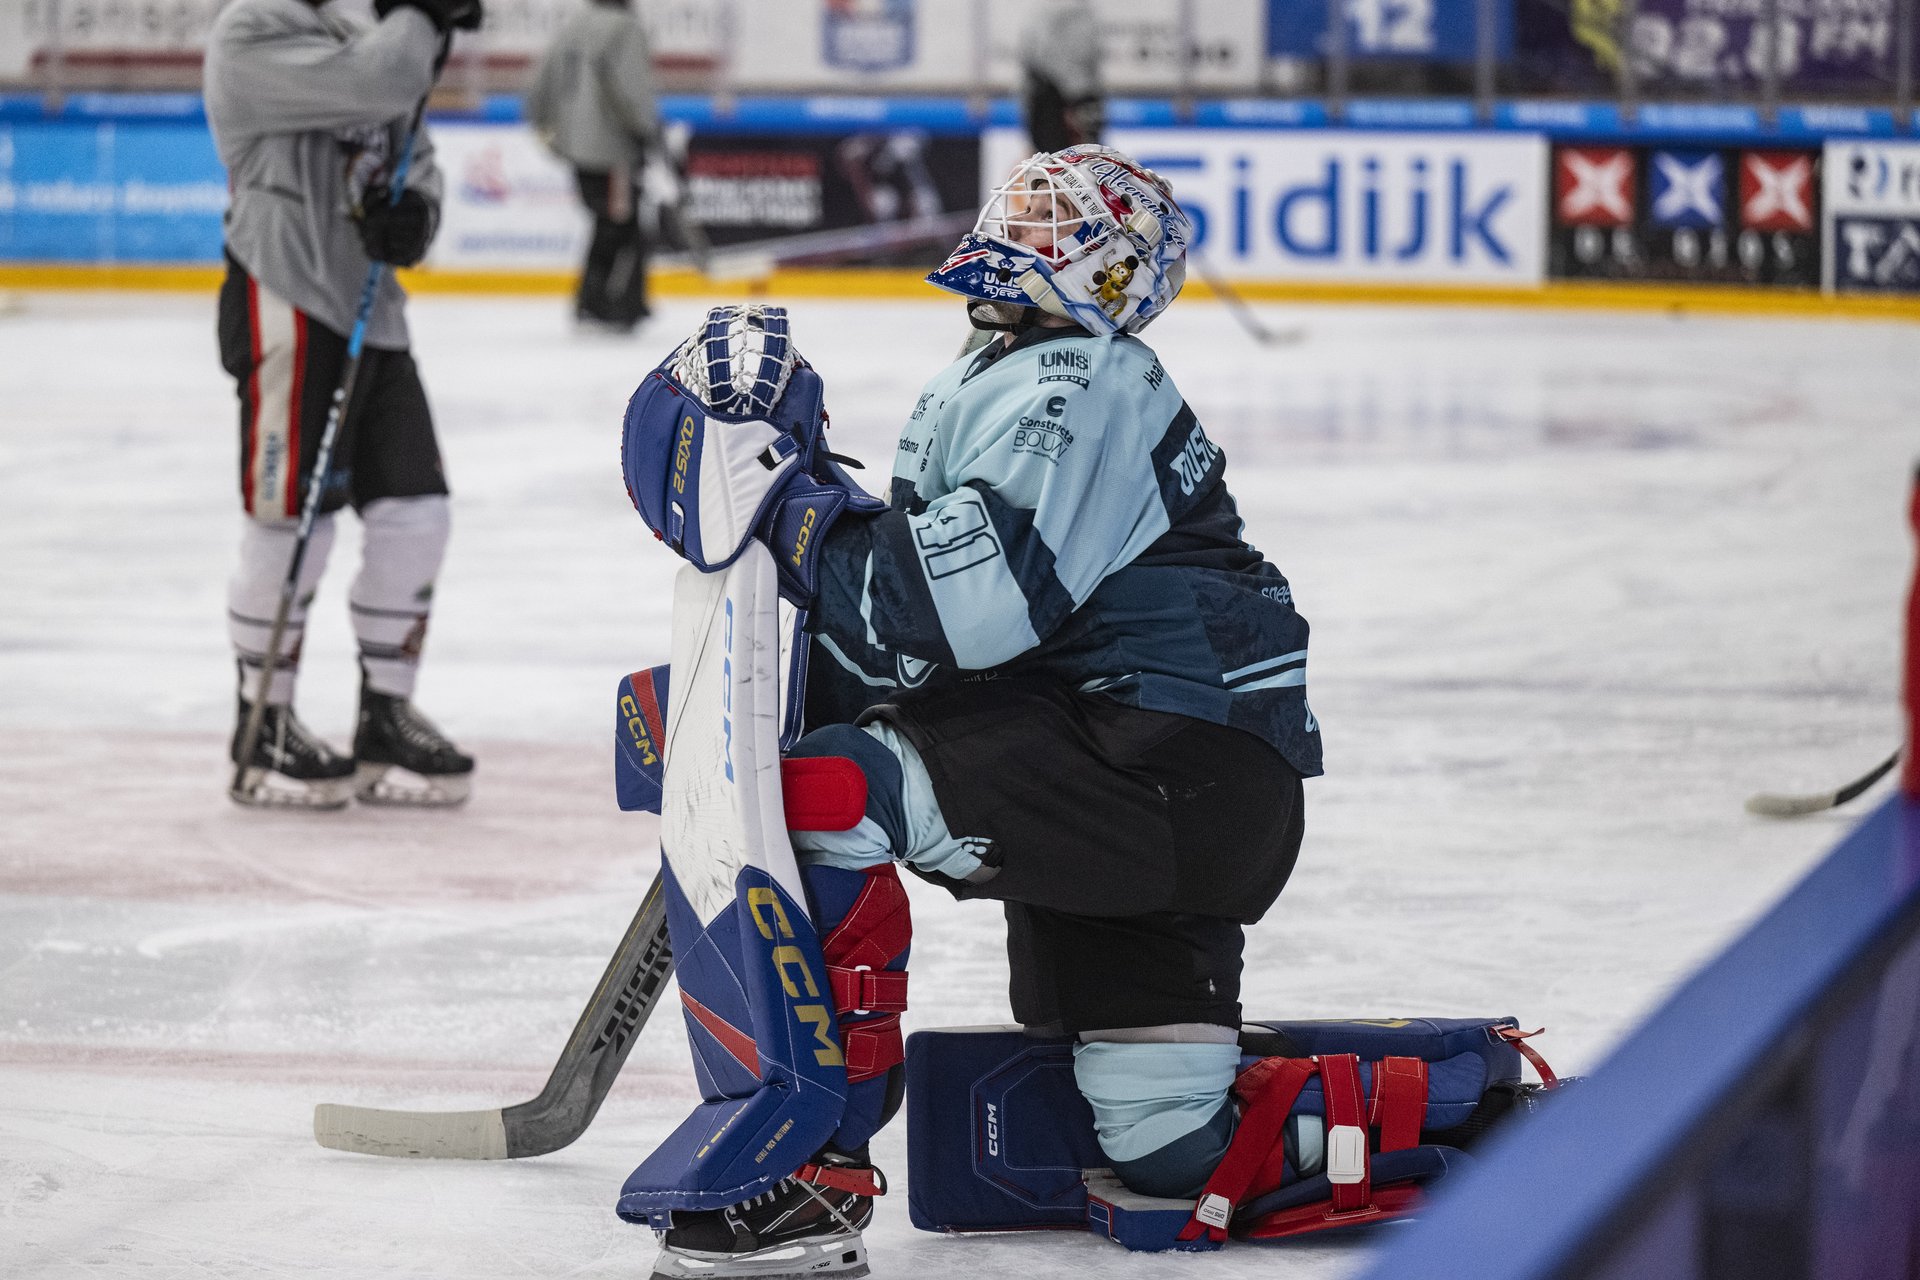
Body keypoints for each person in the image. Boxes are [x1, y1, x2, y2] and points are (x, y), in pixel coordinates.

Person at [623, 146, 1320, 1278]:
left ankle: (810, 1167)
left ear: (1109, 274)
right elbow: (914, 624)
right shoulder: (1014, 369)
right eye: (1027, 206)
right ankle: (1433, 1123)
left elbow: (962, 607)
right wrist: (810, 519)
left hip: (1153, 763)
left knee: (827, 794)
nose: (1026, 226)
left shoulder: (1082, 380)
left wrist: (789, 510)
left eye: (1060, 222)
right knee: (1166, 1147)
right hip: (1175, 785)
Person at [204, 0, 479, 809]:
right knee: (291, 518)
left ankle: (385, 711)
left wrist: (418, 209)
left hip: (373, 308)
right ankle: (265, 721)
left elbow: (413, 143)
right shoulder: (248, 34)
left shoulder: (368, 36)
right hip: (285, 293)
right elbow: (380, 83)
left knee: (417, 511)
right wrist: (426, 16)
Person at [525, 0, 661, 332]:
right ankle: (607, 302)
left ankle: (596, 300)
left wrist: (551, 131)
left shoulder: (574, 25)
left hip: (577, 147)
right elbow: (632, 92)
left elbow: (538, 87)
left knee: (606, 221)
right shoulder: (624, 28)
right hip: (613, 147)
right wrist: (646, 131)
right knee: (621, 224)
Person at [1020, 0, 1105, 154]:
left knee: (1051, 160)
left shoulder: (1060, 11)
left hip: (1055, 96)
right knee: (1061, 161)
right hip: (1059, 99)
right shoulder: (1069, 12)